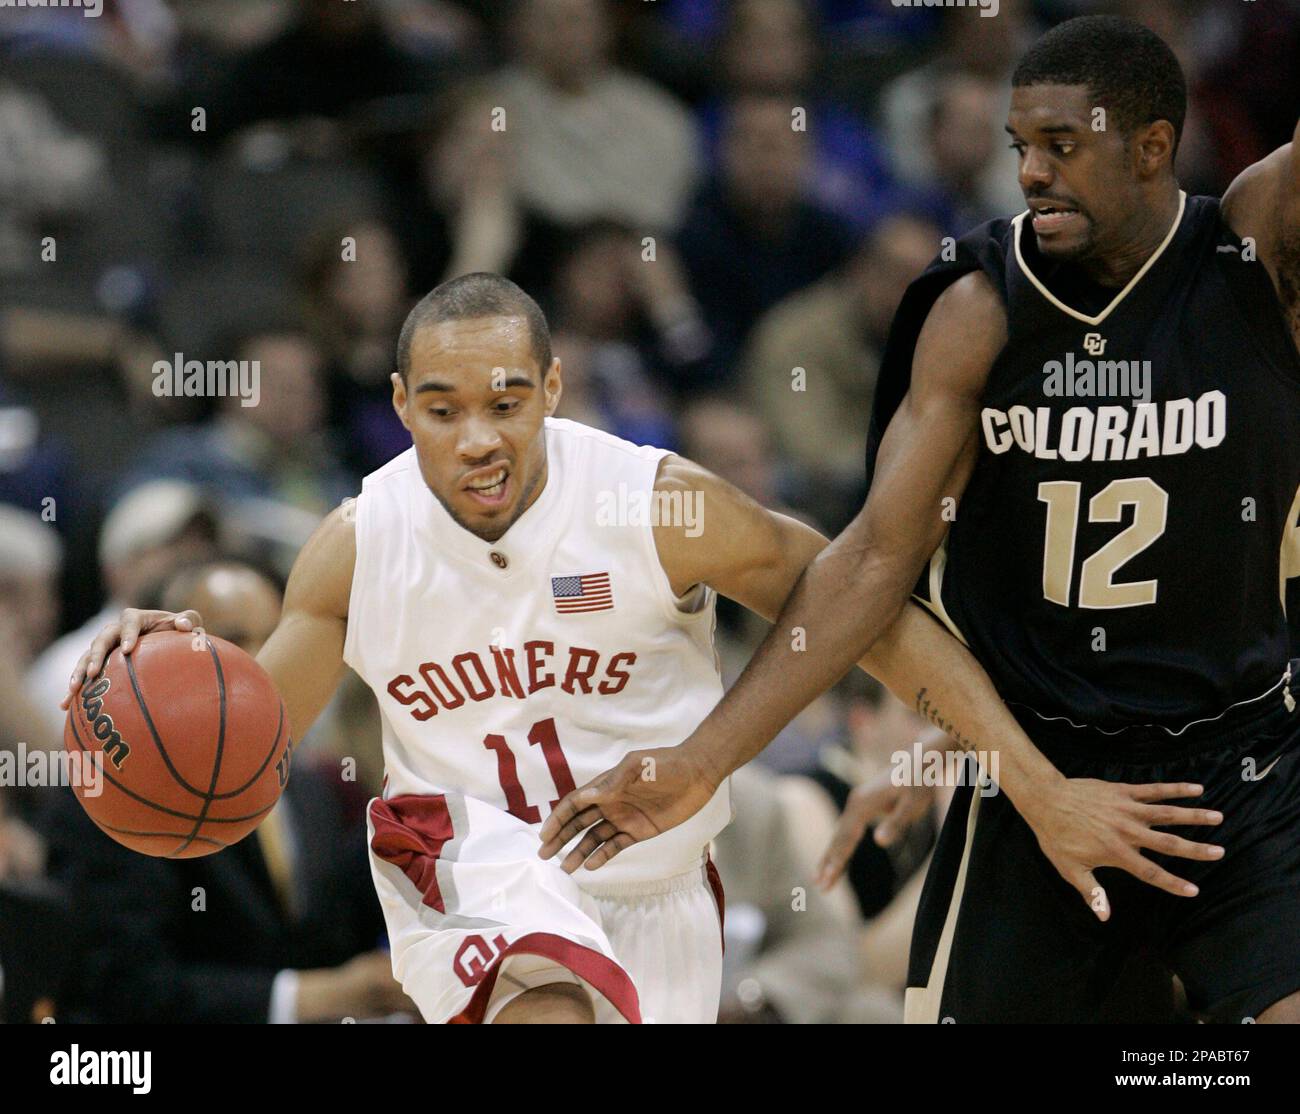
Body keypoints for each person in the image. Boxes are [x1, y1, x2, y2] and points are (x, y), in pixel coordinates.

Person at [538, 16, 1300, 1025]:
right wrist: (701, 762)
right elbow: (869, 565)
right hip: (1040, 763)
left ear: (1152, 146)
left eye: (1061, 146)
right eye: (1018, 146)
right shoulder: (982, 310)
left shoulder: (1249, 250)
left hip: (1237, 761)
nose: (1029, 172)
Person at [66, 272, 1069, 1025]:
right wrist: (158, 693)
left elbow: (862, 608)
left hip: (661, 890)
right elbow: (240, 751)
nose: (477, 439)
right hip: (464, 867)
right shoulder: (358, 546)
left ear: (551, 387)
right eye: (444, 409)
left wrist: (1028, 773)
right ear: (402, 401)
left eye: (505, 403)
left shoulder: (656, 507)